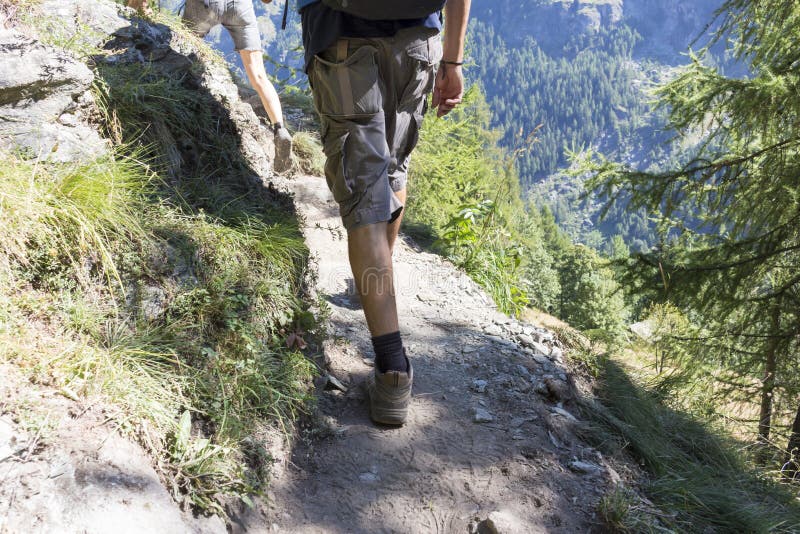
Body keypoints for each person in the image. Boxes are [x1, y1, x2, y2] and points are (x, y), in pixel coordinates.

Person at [299, 0, 471, 425]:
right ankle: (376, 289)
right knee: (393, 168)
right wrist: (452, 60)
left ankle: (392, 367)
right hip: (416, 41)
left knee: (365, 198)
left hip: (341, 37)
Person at [127, 0, 293, 172]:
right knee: (259, 75)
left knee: (183, 50)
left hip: (206, 4)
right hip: (241, 7)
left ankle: (181, 109)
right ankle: (279, 128)